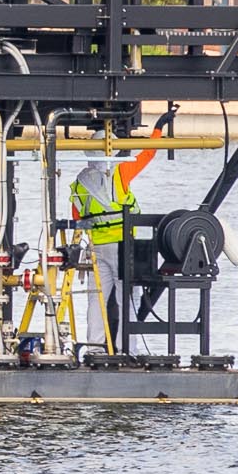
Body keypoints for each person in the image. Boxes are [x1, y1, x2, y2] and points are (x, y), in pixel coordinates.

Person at [71, 149, 155, 349]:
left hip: (96, 247)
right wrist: (158, 131)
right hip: (121, 246)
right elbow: (148, 154)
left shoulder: (79, 183)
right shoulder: (120, 172)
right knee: (126, 298)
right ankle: (126, 349)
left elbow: (77, 218)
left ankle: (95, 348)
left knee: (96, 299)